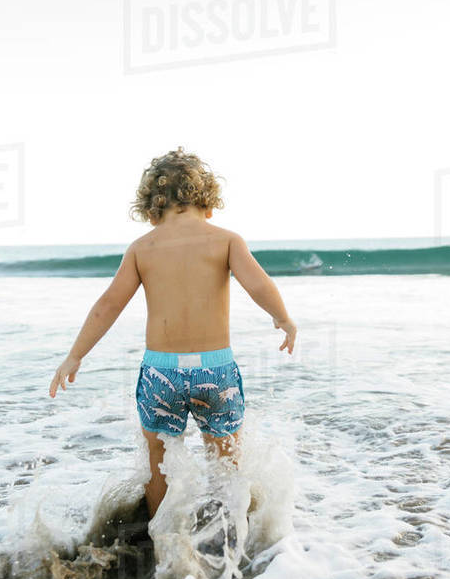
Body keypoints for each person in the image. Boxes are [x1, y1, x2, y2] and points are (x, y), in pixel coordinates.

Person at [48, 147, 296, 520]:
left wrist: (75, 354)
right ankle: (231, 532)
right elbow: (258, 285)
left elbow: (108, 305)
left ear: (151, 211)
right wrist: (283, 318)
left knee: (158, 459)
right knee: (226, 457)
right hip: (215, 371)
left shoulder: (142, 248)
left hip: (161, 373)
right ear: (209, 203)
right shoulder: (226, 240)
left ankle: (162, 539)